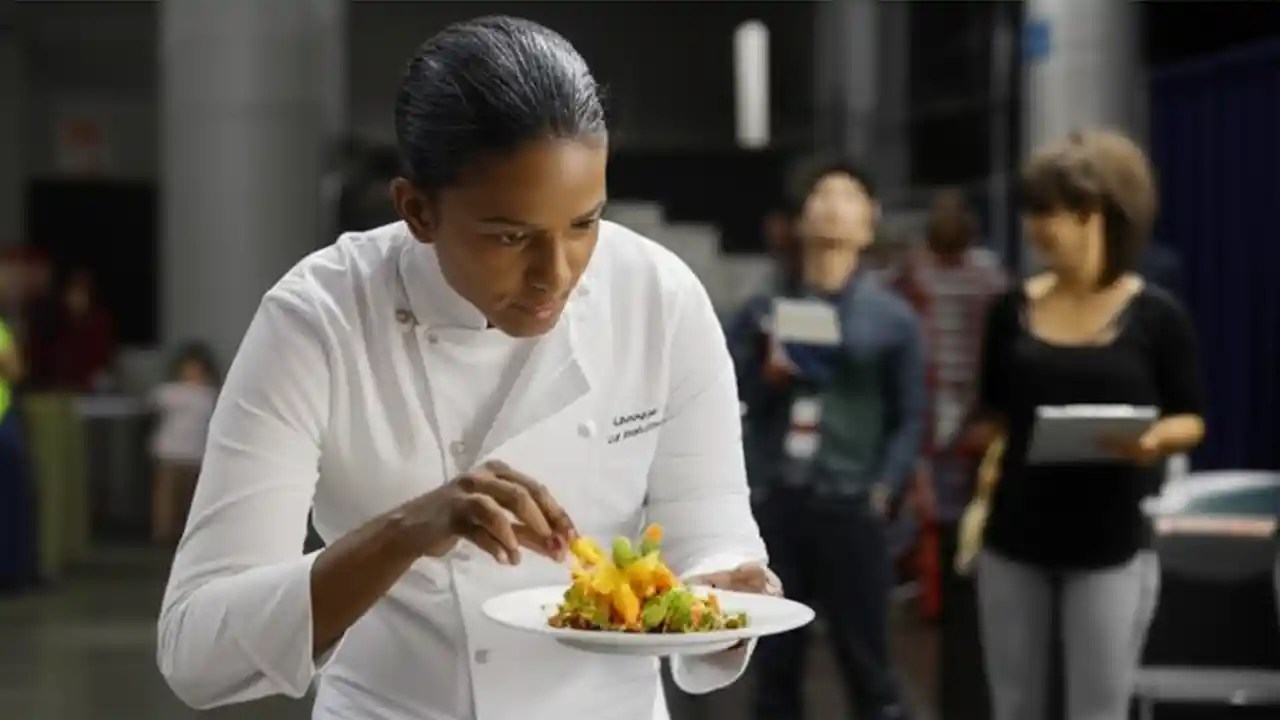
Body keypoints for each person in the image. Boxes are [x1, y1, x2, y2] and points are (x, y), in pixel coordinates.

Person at [157, 17, 777, 720]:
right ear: (417, 210)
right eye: (511, 237)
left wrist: (726, 599)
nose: (557, 276)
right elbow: (197, 652)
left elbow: (709, 532)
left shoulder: (659, 298)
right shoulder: (319, 318)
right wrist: (409, 530)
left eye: (584, 224)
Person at [970, 129, 1206, 720]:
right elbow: (992, 414)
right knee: (1014, 704)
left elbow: (1191, 417)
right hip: (1015, 536)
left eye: (1054, 211)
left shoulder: (1157, 315)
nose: (1040, 227)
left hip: (1111, 542)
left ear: (1102, 213)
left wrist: (1151, 440)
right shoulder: (1010, 310)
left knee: (1097, 708)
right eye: (1034, 211)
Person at [729, 159, 926, 720]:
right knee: (774, 668)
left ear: (870, 223)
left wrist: (883, 488)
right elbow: (724, 398)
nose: (833, 204)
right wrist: (766, 380)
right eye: (821, 193)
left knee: (869, 666)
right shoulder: (761, 309)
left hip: (852, 501)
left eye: (849, 195)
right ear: (799, 218)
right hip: (779, 500)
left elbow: (912, 415)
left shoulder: (893, 319)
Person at [892, 189, 1006, 717]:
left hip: (971, 406)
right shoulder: (913, 272)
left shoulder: (989, 277)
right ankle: (935, 597)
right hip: (928, 400)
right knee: (930, 510)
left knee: (965, 511)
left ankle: (959, 597)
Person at [148, 342, 220, 545]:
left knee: (191, 497)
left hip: (196, 454)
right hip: (169, 452)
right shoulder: (168, 391)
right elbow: (153, 404)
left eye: (197, 368)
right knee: (166, 496)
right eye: (188, 368)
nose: (192, 373)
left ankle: (187, 534)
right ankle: (162, 532)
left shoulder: (209, 394)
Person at [50, 268, 116, 391]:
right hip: (62, 388)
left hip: (93, 388)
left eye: (81, 294)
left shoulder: (99, 322)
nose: (76, 300)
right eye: (72, 294)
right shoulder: (56, 322)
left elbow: (103, 358)